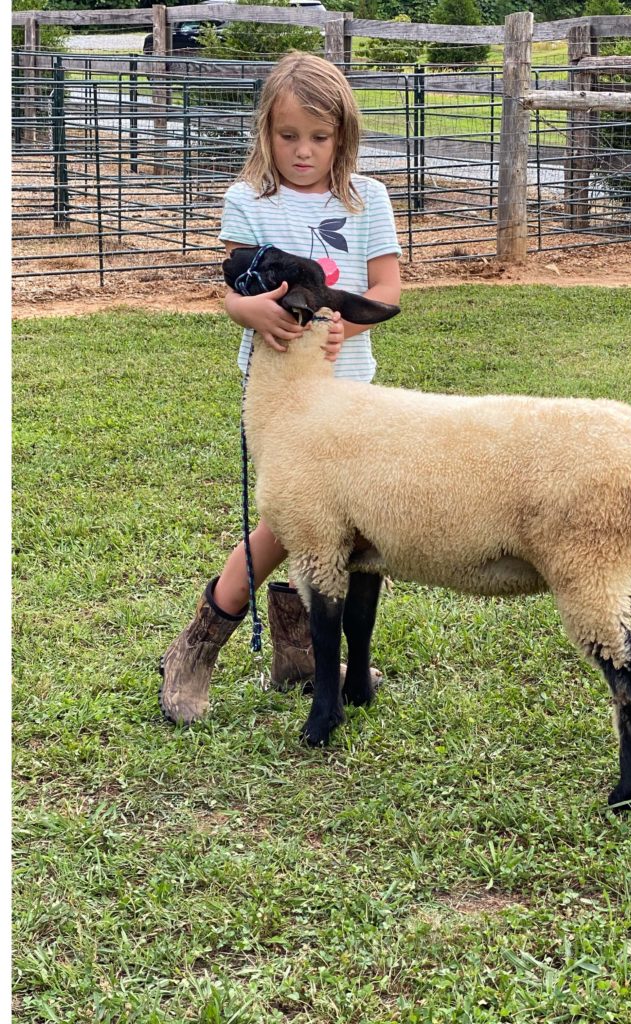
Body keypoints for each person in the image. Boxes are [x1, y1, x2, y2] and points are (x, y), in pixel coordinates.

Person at [159, 52, 402, 725]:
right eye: (288, 136)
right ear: (266, 131)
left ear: (342, 138)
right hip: (278, 398)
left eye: (319, 139)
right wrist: (250, 310)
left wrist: (341, 330)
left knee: (349, 526)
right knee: (286, 524)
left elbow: (386, 290)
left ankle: (301, 653)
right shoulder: (249, 201)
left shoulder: (367, 198)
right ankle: (195, 647)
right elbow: (231, 287)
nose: (303, 151)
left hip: (350, 391)